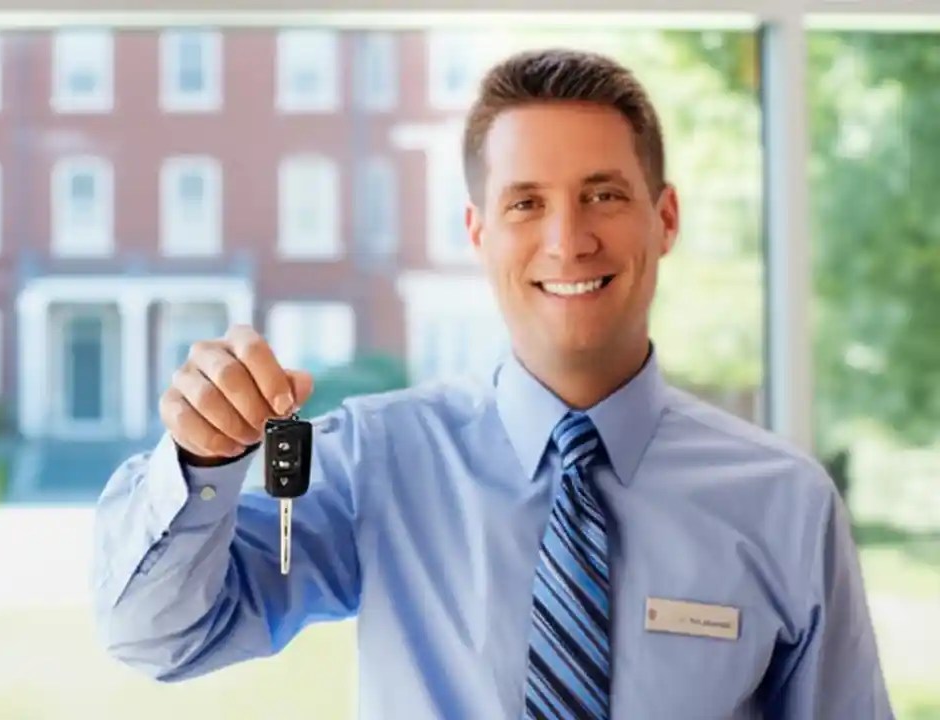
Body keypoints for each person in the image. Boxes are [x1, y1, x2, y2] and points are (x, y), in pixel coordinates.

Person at [92, 48, 895, 719]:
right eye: (526, 203)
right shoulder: (376, 462)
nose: (568, 239)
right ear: (479, 233)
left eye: (604, 195)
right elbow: (157, 635)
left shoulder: (785, 502)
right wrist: (200, 463)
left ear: (666, 217)